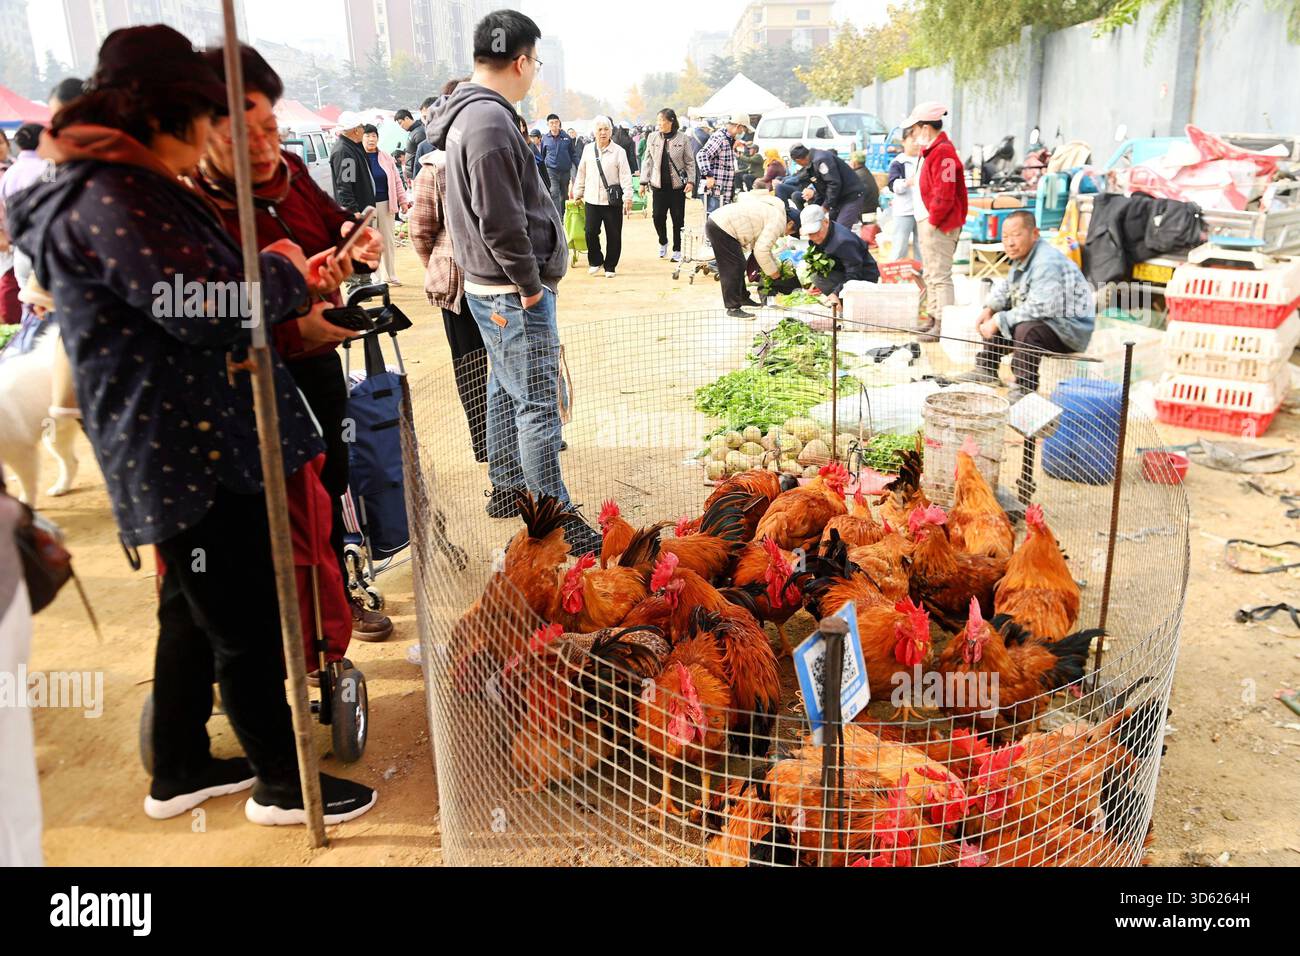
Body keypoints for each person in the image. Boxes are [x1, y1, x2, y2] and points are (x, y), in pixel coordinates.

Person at [9, 23, 378, 825]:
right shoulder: (112, 195)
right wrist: (281, 274)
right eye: (211, 120)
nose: (220, 138)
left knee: (193, 612)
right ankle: (285, 785)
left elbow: (201, 286)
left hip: (185, 438)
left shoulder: (129, 184)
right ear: (169, 116)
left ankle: (176, 768)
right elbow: (199, 307)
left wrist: (285, 273)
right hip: (184, 445)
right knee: (244, 624)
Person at [193, 45, 393, 645]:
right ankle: (283, 630)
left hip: (316, 363)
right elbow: (195, 307)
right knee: (260, 520)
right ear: (200, 132)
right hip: (244, 388)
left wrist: (348, 241)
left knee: (328, 486)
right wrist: (287, 323)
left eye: (270, 128)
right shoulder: (189, 208)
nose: (262, 145)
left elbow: (328, 221)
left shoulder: (290, 171)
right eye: (241, 134)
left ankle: (334, 601)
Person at [427, 8, 599, 552]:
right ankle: (555, 516)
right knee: (538, 403)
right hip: (507, 290)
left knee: (507, 385)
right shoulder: (489, 123)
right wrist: (529, 284)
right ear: (522, 61)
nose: (535, 73)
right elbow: (501, 221)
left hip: (489, 287)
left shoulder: (469, 116)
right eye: (537, 63)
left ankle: (506, 485)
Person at [409, 77, 488, 463]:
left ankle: (493, 441)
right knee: (473, 363)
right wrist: (442, 263)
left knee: (477, 362)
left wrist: (439, 260)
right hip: (462, 286)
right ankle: (485, 441)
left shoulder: (482, 153)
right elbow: (421, 228)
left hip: (483, 281)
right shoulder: (434, 167)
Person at [958, 211, 1095, 402]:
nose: (1010, 242)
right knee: (1001, 315)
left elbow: (1041, 307)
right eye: (1005, 237)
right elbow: (1007, 286)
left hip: (1068, 330)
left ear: (1035, 234)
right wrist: (989, 309)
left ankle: (1024, 388)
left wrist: (998, 320)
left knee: (1026, 328)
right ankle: (986, 369)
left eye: (1016, 235)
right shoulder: (1023, 256)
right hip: (1049, 321)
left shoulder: (1046, 262)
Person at [906, 101, 967, 339]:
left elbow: (946, 192)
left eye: (915, 129)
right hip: (928, 220)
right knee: (931, 273)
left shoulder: (944, 152)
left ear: (925, 128)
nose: (912, 135)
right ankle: (932, 317)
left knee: (940, 275)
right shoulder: (931, 150)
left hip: (939, 223)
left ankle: (942, 324)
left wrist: (934, 221)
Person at [706, 186, 796, 318]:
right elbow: (761, 251)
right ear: (790, 223)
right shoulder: (779, 221)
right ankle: (733, 307)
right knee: (733, 266)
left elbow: (761, 247)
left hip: (720, 222)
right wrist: (774, 273)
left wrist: (773, 266)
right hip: (722, 226)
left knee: (739, 264)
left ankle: (742, 297)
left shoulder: (774, 212)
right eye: (792, 232)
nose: (787, 235)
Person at [574, 116, 633, 278]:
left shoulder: (619, 152)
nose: (603, 133)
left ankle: (610, 266)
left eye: (606, 129)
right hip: (592, 199)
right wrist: (578, 192)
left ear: (611, 132)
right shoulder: (588, 149)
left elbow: (626, 176)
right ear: (594, 132)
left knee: (613, 234)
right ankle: (595, 260)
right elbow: (581, 173)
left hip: (612, 201)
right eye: (600, 129)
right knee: (590, 232)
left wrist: (628, 196)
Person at [638, 107, 695, 262]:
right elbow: (647, 160)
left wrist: (691, 181)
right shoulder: (652, 137)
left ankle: (677, 249)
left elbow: (690, 161)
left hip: (677, 187)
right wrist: (643, 182)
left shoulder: (683, 139)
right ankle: (663, 241)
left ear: (671, 121)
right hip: (658, 186)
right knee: (657, 216)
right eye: (658, 120)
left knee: (678, 219)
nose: (660, 123)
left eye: (662, 120)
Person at [799, 204, 880, 307]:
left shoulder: (843, 242)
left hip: (864, 277)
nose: (814, 237)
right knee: (816, 276)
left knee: (819, 279)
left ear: (826, 222)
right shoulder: (823, 236)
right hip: (843, 269)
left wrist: (835, 293)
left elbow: (854, 273)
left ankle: (844, 305)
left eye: (816, 231)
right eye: (810, 234)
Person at [363, 124, 407, 285]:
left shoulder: (386, 157)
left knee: (388, 240)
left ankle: (391, 274)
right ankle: (375, 276)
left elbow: (397, 180)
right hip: (367, 206)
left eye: (374, 135)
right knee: (371, 241)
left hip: (386, 204)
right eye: (368, 136)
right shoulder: (359, 157)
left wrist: (403, 201)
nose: (371, 139)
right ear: (362, 138)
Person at [790, 142, 866, 228]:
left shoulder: (821, 160)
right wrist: (816, 207)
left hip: (851, 196)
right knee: (831, 229)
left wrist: (825, 206)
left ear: (798, 160)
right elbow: (821, 188)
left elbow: (833, 183)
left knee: (841, 229)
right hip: (837, 198)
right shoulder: (813, 162)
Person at [886, 126, 923, 264]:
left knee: (922, 247)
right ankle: (896, 275)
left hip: (921, 210)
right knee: (900, 246)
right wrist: (908, 182)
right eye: (912, 140)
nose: (916, 143)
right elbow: (893, 186)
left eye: (919, 140)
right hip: (903, 211)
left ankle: (922, 275)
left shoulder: (923, 159)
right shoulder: (898, 162)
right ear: (903, 141)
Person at [696, 113, 747, 213]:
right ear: (738, 126)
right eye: (742, 129)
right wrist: (708, 175)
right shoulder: (720, 138)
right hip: (714, 192)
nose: (742, 132)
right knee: (715, 224)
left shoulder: (728, 139)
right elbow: (702, 155)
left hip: (722, 191)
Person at [329, 111, 376, 216]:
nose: (364, 130)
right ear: (356, 130)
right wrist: (352, 210)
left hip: (364, 208)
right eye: (362, 127)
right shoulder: (344, 152)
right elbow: (345, 184)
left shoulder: (354, 147)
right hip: (357, 211)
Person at [539, 113, 577, 216]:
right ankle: (557, 216)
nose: (554, 125)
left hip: (565, 171)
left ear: (559, 123)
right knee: (554, 192)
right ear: (548, 124)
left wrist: (579, 165)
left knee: (564, 194)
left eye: (556, 122)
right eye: (551, 123)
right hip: (551, 170)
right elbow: (542, 155)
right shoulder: (545, 139)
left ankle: (565, 214)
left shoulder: (566, 138)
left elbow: (573, 154)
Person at [394, 107, 425, 181]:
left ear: (407, 118)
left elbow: (423, 155)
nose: (401, 126)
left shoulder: (419, 132)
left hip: (419, 175)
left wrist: (417, 174)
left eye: (400, 122)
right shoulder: (413, 132)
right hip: (414, 175)